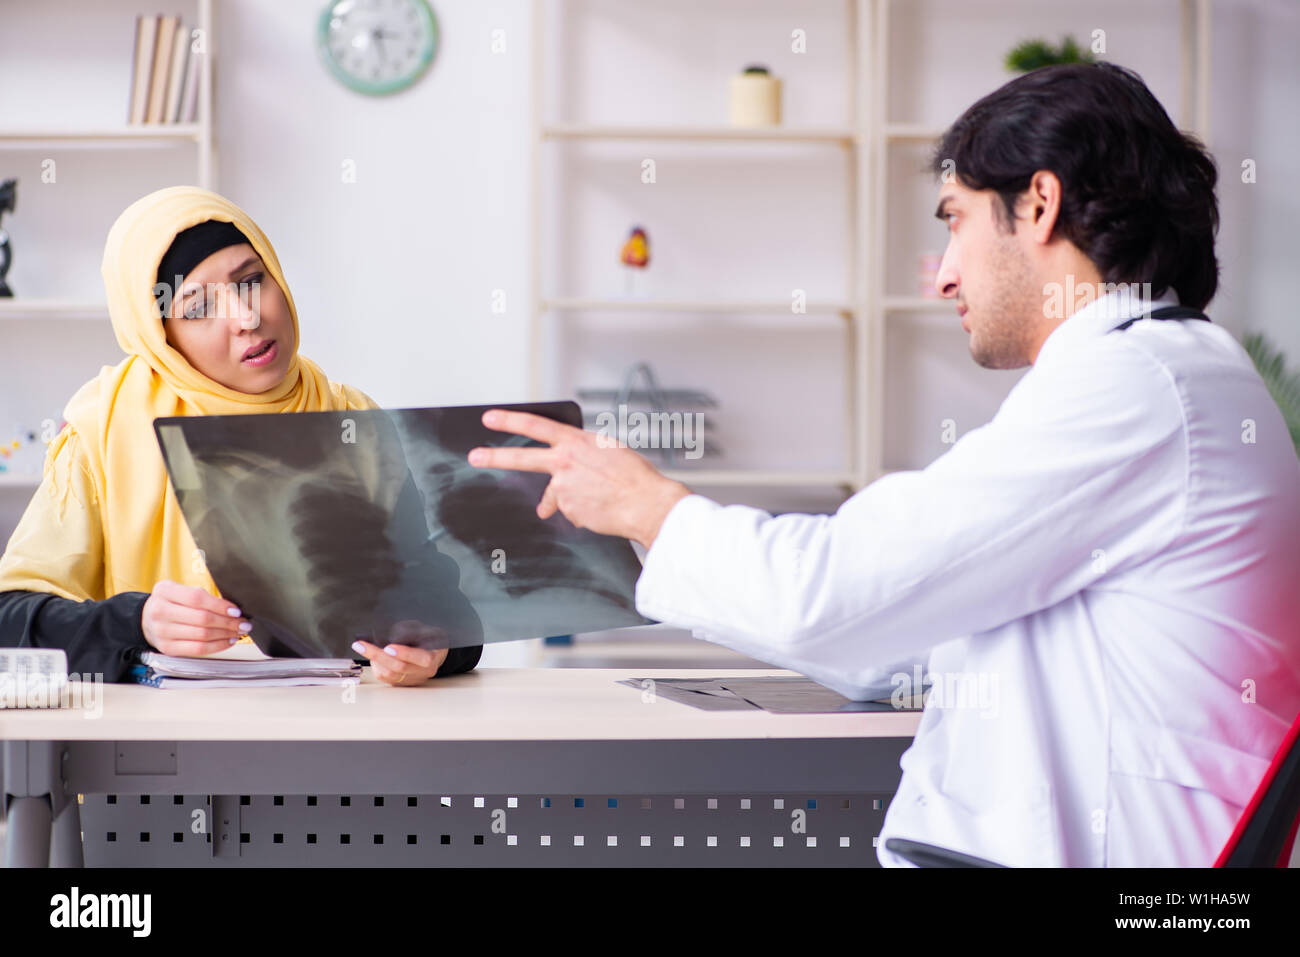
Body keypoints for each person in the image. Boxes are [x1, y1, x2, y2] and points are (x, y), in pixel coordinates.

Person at [466, 62, 1300, 866]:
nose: (942, 277)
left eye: (954, 220)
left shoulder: (1133, 385)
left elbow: (833, 596)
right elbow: (893, 637)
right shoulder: (1170, 371)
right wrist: (651, 532)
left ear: (1038, 203)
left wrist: (651, 507)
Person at [0, 185, 481, 686]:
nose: (246, 319)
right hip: (158, 747)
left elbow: (443, 604)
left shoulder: (349, 416)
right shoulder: (103, 430)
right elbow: (9, 623)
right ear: (162, 338)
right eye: (197, 307)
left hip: (338, 734)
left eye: (251, 281)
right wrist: (137, 623)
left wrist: (435, 649)